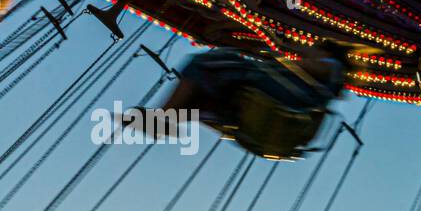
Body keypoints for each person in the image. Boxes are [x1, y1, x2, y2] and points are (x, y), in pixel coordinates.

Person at [125, 43, 347, 160]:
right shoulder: (325, 88)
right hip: (273, 102)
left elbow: (313, 65)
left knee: (205, 63)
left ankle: (165, 114)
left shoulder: (331, 65)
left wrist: (294, 51)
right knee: (210, 98)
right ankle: (170, 117)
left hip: (281, 95)